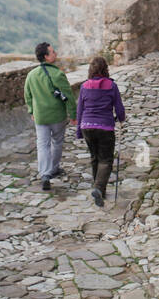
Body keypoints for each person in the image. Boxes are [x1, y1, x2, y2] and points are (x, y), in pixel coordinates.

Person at [23, 41, 76, 191]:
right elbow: (68, 96)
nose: (56, 53)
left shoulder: (31, 75)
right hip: (57, 116)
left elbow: (27, 95)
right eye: (53, 52)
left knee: (42, 144)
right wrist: (73, 114)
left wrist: (31, 111)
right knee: (57, 142)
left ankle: (45, 174)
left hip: (40, 117)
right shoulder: (58, 74)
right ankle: (54, 168)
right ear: (46, 56)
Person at [75, 56, 126, 207]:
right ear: (105, 69)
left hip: (87, 126)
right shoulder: (111, 86)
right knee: (106, 159)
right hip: (104, 126)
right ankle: (98, 188)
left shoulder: (84, 86)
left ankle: (100, 190)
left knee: (94, 157)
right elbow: (119, 107)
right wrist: (121, 118)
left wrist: (79, 131)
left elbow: (80, 110)